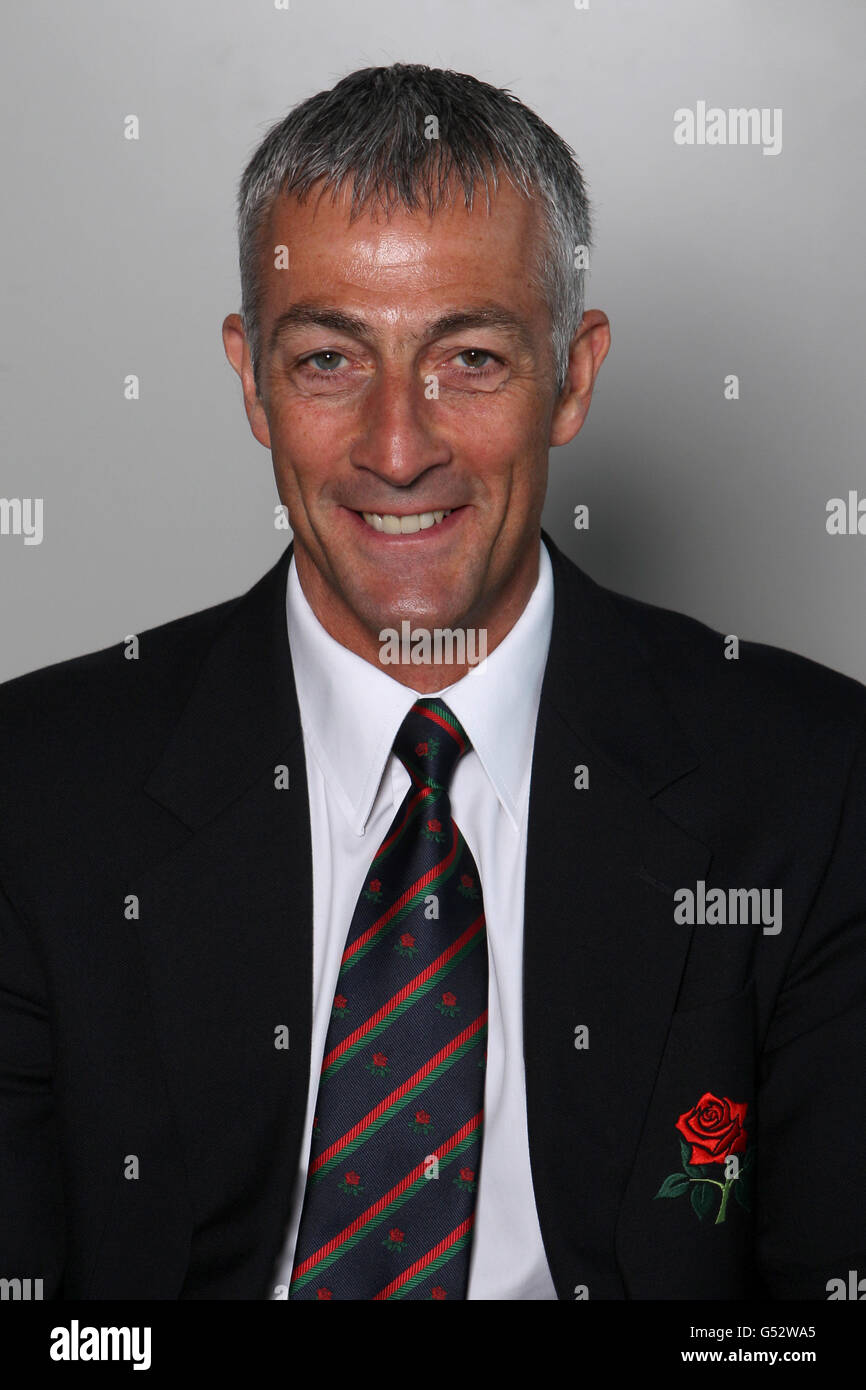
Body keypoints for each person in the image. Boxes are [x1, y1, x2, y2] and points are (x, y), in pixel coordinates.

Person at [1, 63, 864, 1302]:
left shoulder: (816, 781)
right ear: (250, 381)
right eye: (326, 360)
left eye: (468, 358)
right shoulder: (35, 790)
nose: (397, 449)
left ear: (571, 375)